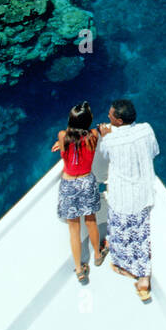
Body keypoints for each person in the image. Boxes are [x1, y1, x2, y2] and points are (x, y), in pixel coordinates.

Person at [97, 98, 159, 302]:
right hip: (143, 193)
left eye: (111, 115)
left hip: (123, 196)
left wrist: (106, 135)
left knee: (122, 234)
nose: (108, 116)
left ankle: (124, 267)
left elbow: (106, 154)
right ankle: (144, 280)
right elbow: (155, 151)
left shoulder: (111, 140)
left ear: (119, 120)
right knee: (141, 235)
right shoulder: (147, 129)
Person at [50, 101, 107, 284]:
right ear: (88, 121)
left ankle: (79, 269)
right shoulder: (92, 136)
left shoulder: (62, 135)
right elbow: (101, 129)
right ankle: (98, 255)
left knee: (73, 229)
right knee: (91, 221)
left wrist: (61, 143)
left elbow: (67, 138)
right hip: (86, 181)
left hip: (69, 184)